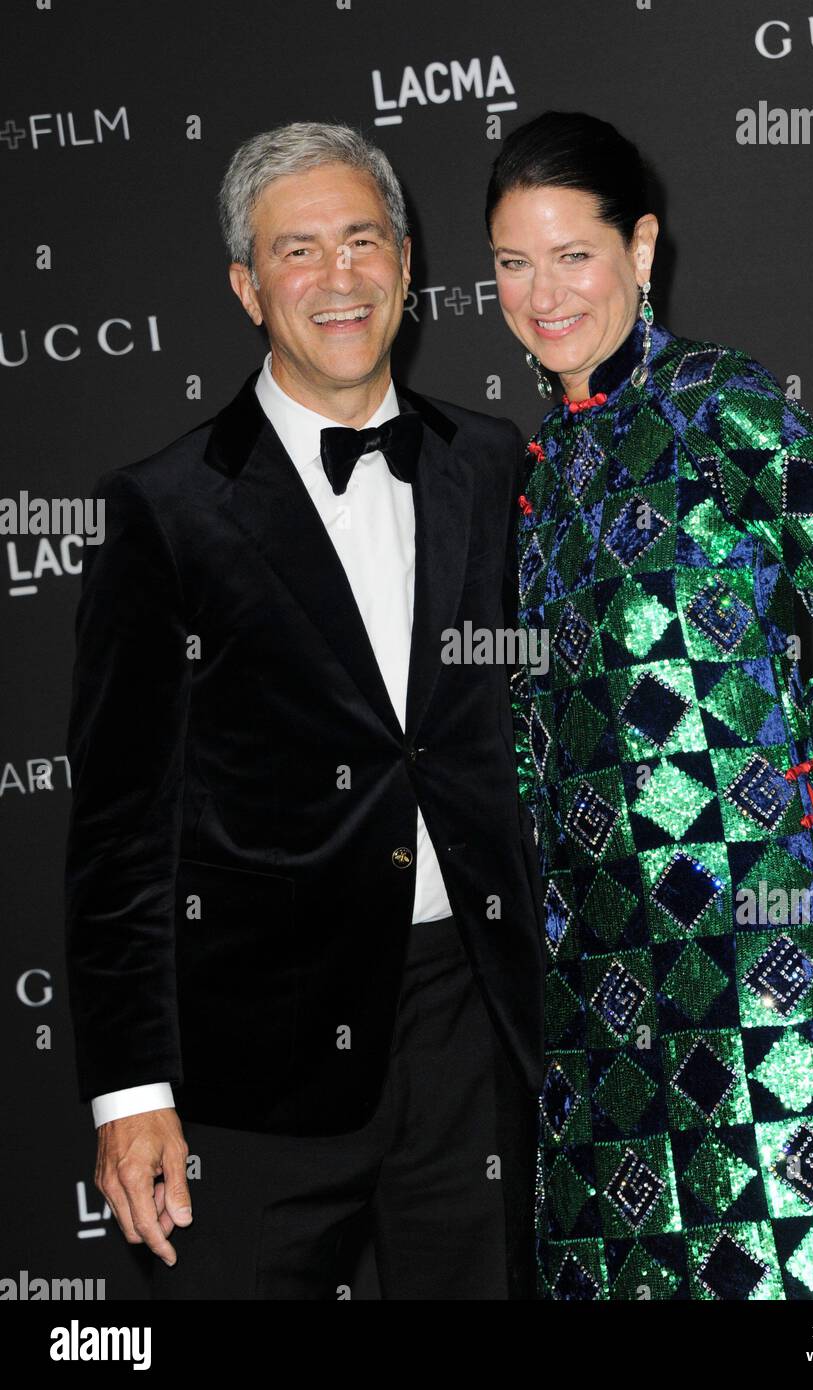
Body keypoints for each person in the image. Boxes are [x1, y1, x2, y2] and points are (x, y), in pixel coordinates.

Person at [486, 110, 813, 1301]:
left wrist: (793, 766)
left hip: (755, 951)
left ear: (640, 251)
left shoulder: (712, 403)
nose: (542, 293)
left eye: (574, 254)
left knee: (791, 1262)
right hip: (598, 986)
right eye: (511, 262)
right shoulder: (534, 471)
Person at [63, 120, 545, 1300]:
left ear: (404, 259)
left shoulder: (492, 462)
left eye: (362, 241)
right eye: (298, 251)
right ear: (245, 285)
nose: (337, 278)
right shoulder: (165, 510)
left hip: (469, 1030)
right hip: (251, 1063)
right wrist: (132, 1096)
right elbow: (120, 833)